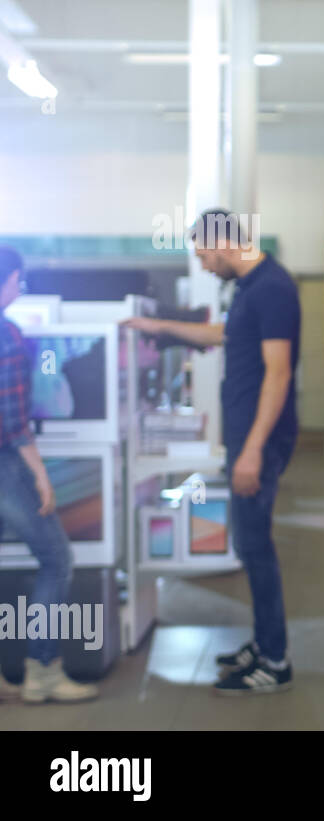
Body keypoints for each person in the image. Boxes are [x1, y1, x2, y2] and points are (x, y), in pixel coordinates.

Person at [123, 210, 300, 695]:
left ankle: (275, 661)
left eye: (204, 255)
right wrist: (157, 326)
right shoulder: (249, 287)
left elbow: (279, 373)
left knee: (255, 548)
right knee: (247, 544)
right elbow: (223, 335)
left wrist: (252, 452)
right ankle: (263, 644)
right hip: (247, 437)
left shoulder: (272, 288)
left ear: (223, 244)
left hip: (259, 441)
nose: (203, 266)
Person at [0, 245, 99, 704]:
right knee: (56, 560)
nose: (20, 289)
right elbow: (15, 420)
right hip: (5, 466)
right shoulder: (6, 336)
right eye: (18, 280)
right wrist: (40, 475)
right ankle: (42, 671)